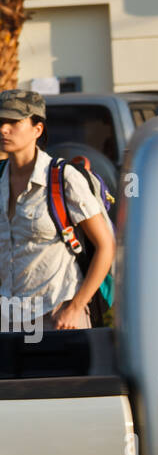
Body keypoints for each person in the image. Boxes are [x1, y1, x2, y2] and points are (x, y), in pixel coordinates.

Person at [0, 89, 114, 331]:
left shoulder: (64, 178)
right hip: (7, 319)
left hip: (58, 318)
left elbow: (106, 246)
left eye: (13, 122)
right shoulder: (0, 177)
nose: (3, 129)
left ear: (37, 129)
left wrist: (74, 308)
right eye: (0, 122)